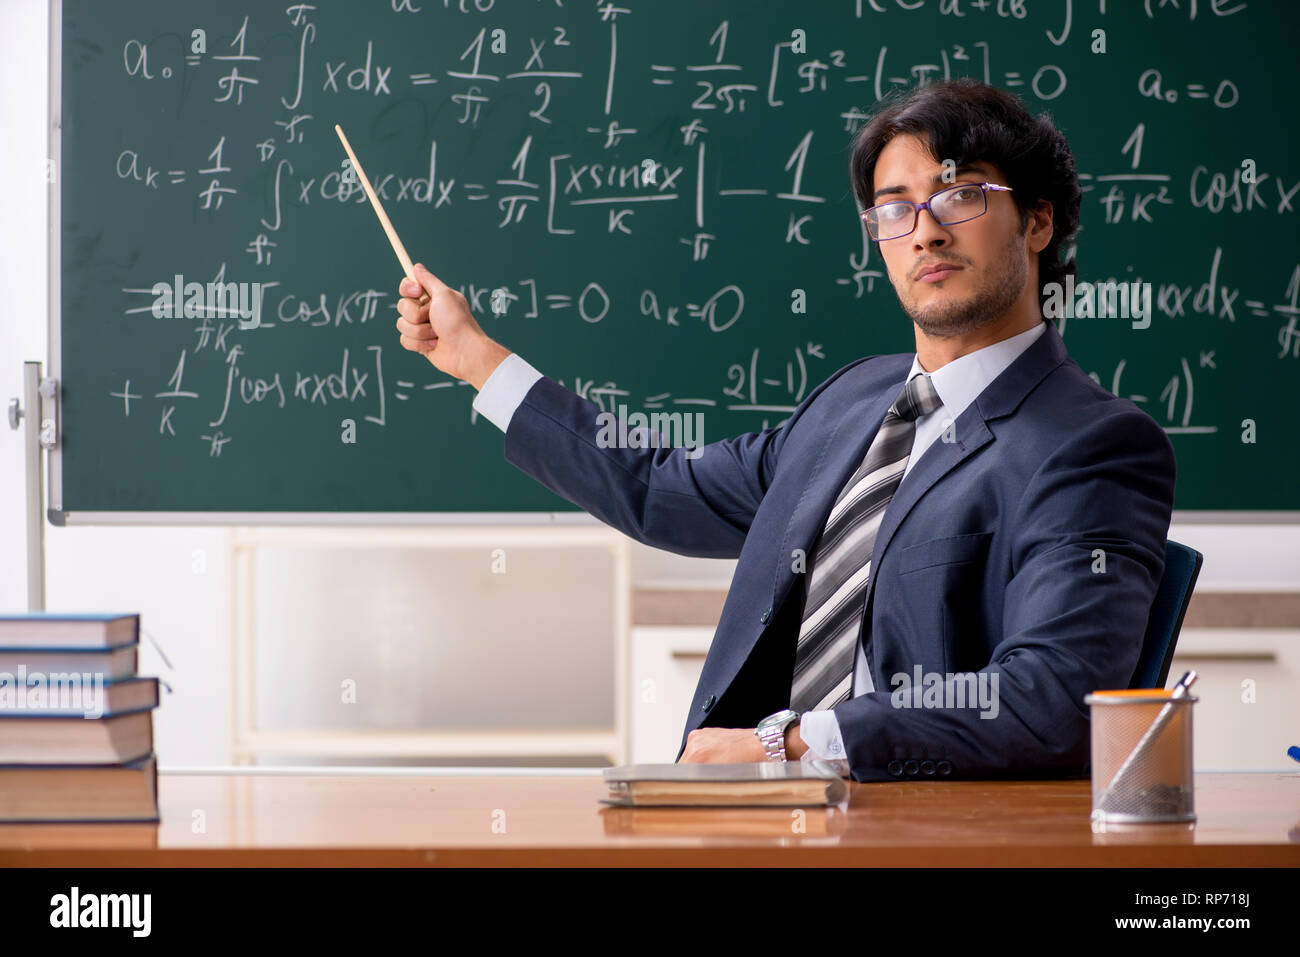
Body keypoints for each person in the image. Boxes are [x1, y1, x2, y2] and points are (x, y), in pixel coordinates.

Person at [393, 78, 1176, 782]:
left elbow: (1054, 697)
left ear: (1037, 222)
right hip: (752, 818)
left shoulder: (1091, 444)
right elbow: (662, 485)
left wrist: (796, 742)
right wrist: (479, 361)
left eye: (959, 195)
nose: (925, 231)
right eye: (895, 208)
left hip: (922, 829)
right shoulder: (854, 400)